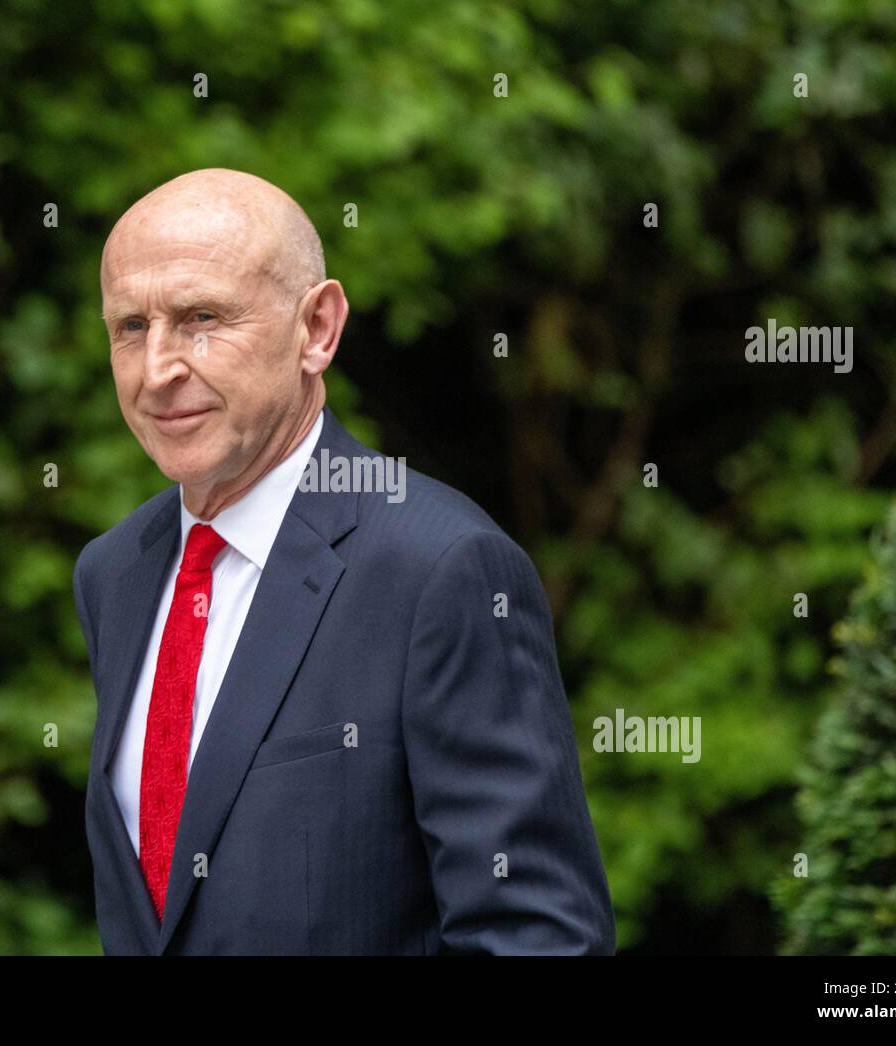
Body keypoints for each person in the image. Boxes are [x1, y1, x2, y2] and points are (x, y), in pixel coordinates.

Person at [73, 167, 615, 954]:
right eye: (130, 327)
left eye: (201, 318)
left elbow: (538, 938)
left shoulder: (442, 568)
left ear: (318, 329)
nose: (158, 369)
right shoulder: (115, 573)